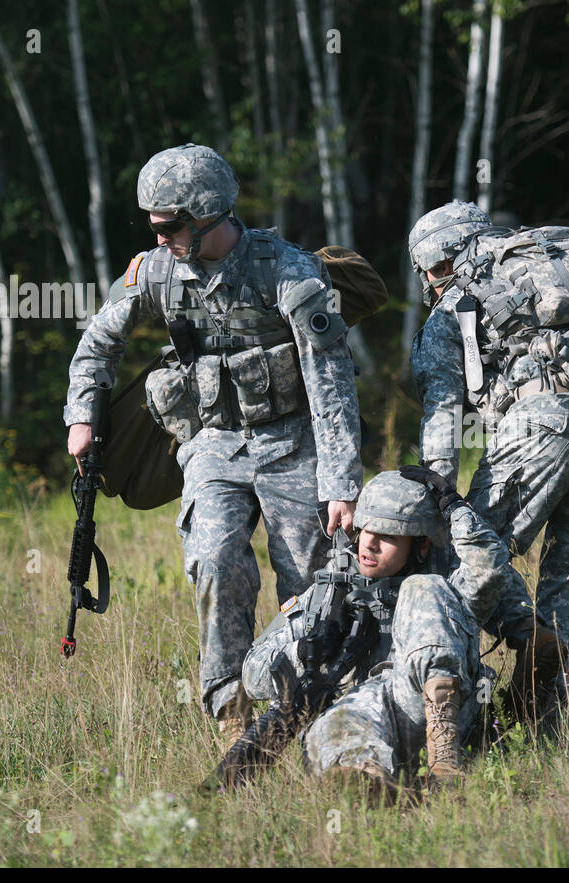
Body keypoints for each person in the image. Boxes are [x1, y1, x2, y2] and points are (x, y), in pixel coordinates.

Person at [64, 144, 362, 746]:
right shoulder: (156, 272)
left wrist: (341, 486)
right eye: (152, 225)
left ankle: (308, 707)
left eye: (170, 226)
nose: (159, 235)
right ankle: (231, 716)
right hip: (211, 444)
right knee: (215, 559)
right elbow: (97, 344)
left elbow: (332, 384)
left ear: (207, 214)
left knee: (309, 577)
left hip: (292, 442)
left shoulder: (290, 274)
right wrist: (83, 416)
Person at [407, 201, 569, 721]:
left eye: (431, 271)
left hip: (541, 427)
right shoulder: (550, 268)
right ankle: (545, 715)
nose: (432, 282)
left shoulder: (456, 300)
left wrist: (436, 492)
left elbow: (441, 406)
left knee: (467, 554)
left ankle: (445, 708)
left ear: (442, 259)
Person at [240, 468, 509, 799]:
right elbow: (252, 674)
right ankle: (375, 786)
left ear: (421, 545)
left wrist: (455, 508)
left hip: (430, 716)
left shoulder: (447, 582)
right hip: (362, 722)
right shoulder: (329, 594)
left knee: (422, 586)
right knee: (336, 723)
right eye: (365, 529)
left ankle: (444, 764)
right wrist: (303, 652)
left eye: (389, 536)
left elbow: (491, 567)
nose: (370, 543)